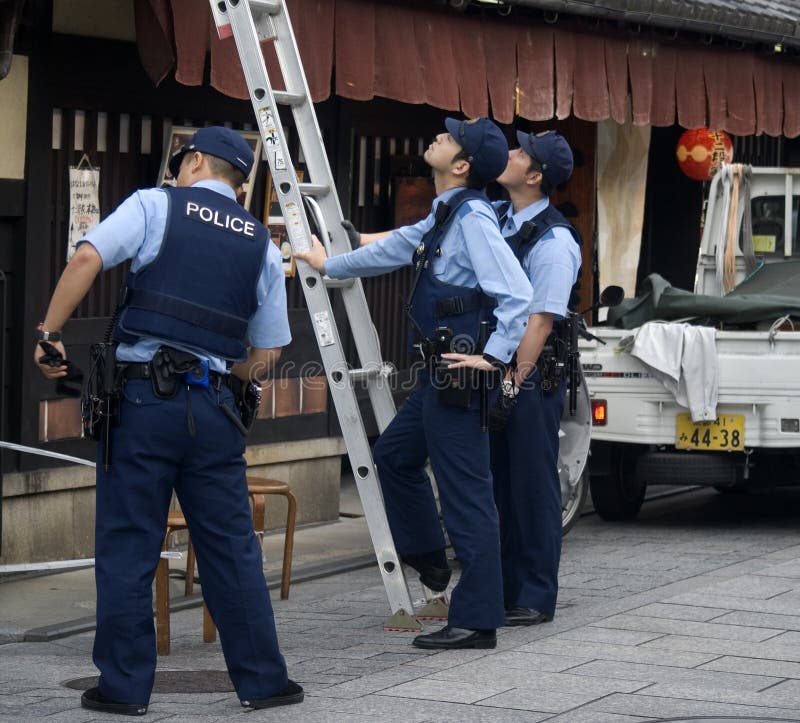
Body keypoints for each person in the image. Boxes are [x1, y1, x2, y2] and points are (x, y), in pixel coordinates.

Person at [34, 126, 303, 715]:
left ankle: (125, 691)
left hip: (141, 406)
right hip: (212, 411)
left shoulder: (157, 205)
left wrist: (50, 333)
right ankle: (264, 683)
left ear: (194, 162)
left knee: (131, 543)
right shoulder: (260, 242)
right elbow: (266, 354)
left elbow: (88, 255)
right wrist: (231, 379)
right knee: (231, 548)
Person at [295, 117, 533, 650]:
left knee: (466, 494)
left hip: (459, 374)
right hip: (438, 375)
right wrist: (328, 262)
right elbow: (396, 247)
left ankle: (476, 620)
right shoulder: (446, 213)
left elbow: (518, 293)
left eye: (449, 138)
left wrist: (493, 358)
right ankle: (428, 557)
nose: (437, 137)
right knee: (395, 456)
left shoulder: (472, 216)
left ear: (462, 164)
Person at [448, 130, 581, 626]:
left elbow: (540, 322)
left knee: (531, 484)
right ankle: (503, 586)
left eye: (521, 153)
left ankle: (535, 594)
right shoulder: (496, 216)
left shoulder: (554, 239)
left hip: (530, 377)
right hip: (492, 368)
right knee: (497, 483)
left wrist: (509, 384)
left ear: (536, 176)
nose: (510, 154)